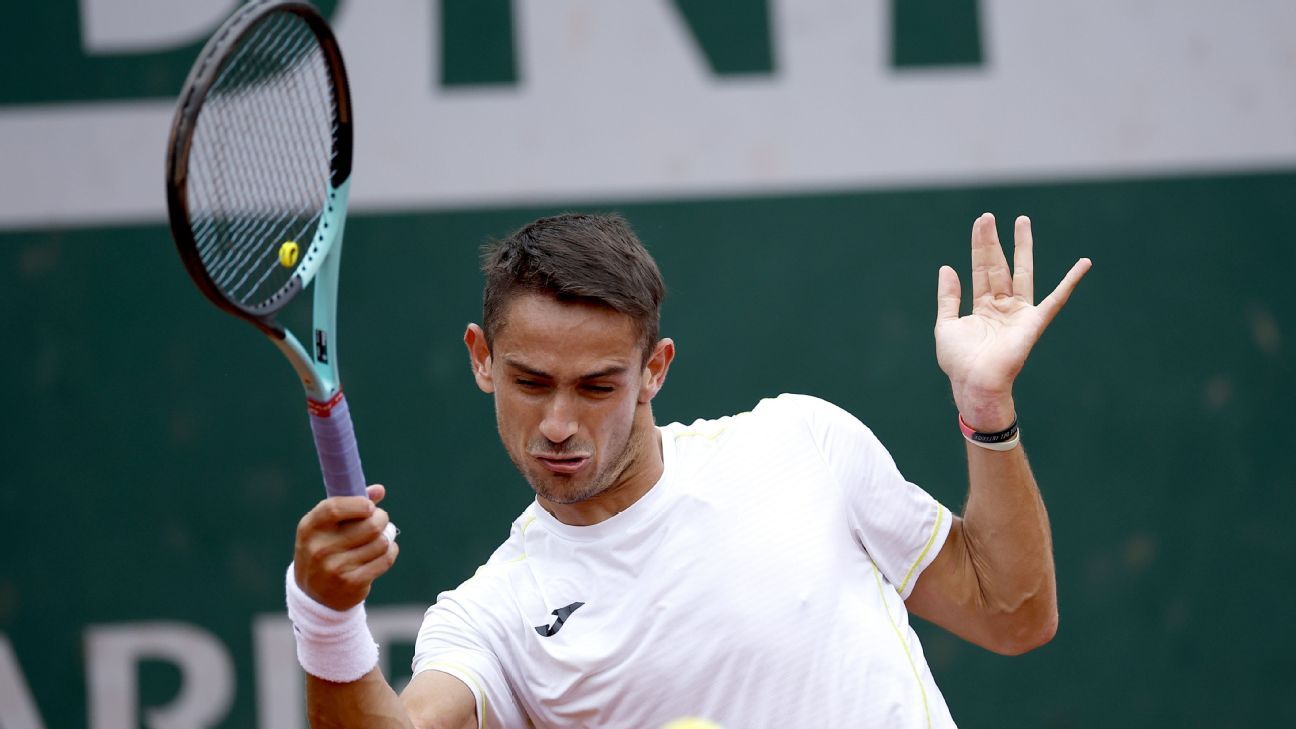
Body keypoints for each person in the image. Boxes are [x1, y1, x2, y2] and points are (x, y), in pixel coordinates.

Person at [287, 212, 1091, 728]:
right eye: (532, 381)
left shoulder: (802, 442)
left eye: (598, 385)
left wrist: (987, 411)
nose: (559, 424)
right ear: (481, 359)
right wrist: (325, 618)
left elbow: (1012, 612)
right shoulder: (492, 616)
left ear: (654, 370)